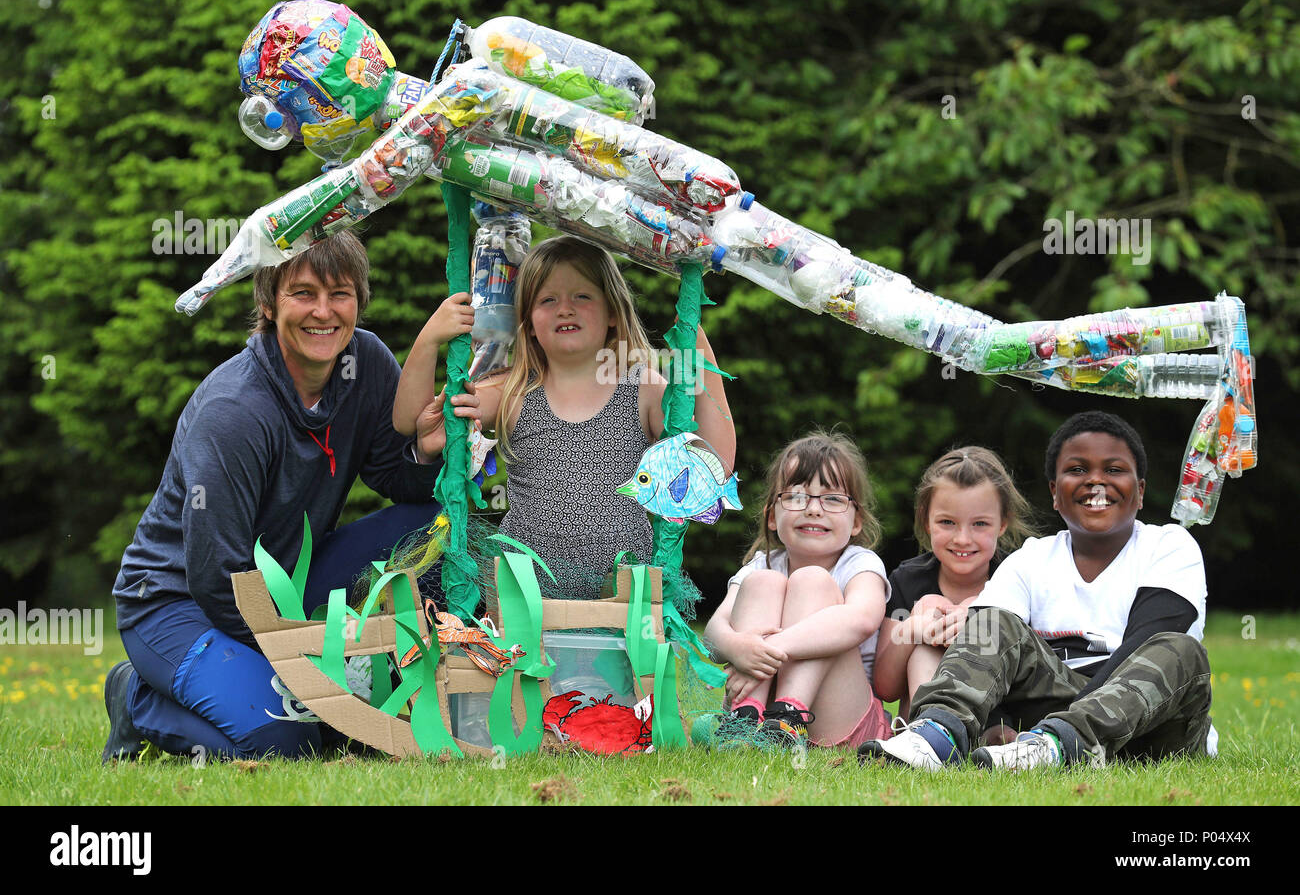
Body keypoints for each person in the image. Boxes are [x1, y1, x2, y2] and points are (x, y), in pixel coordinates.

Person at [104, 231, 480, 762]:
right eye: (303, 293)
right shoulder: (234, 412)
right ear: (267, 302)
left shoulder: (364, 363)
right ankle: (137, 697)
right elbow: (217, 576)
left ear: (359, 301)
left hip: (288, 581)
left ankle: (427, 673)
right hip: (179, 603)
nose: (323, 312)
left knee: (436, 522)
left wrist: (423, 451)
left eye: (340, 293)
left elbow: (397, 483)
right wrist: (315, 661)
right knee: (288, 737)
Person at [860, 411, 1214, 770]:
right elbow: (985, 649)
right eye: (1077, 470)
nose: (1095, 481)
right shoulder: (1030, 558)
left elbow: (1148, 639)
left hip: (1154, 725)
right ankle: (937, 733)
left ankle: (1060, 744)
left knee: (1180, 648)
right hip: (1050, 718)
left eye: (1113, 470)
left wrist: (1066, 726)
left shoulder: (1169, 545)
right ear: (1055, 493)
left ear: (1139, 491)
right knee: (992, 624)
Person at [394, 235, 735, 595]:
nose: (565, 308)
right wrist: (429, 339)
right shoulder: (513, 392)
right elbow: (408, 420)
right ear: (527, 323)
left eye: (582, 296)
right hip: (523, 598)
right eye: (548, 299)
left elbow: (715, 466)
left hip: (620, 596)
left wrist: (696, 344)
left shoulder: (643, 387)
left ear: (614, 313)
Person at [703, 432, 891, 748]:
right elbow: (713, 635)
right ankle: (745, 718)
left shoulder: (860, 564)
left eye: (832, 499)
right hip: (761, 713)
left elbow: (862, 619)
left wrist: (767, 650)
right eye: (795, 497)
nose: (813, 509)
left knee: (812, 581)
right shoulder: (759, 567)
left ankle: (788, 720)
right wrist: (739, 648)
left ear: (856, 521)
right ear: (772, 516)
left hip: (842, 720)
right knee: (763, 583)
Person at [873, 446, 1034, 732]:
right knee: (927, 610)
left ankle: (959, 735)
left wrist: (974, 621)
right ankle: (930, 731)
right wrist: (914, 629)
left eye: (980, 524)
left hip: (995, 719)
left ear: (1002, 524)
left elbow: (1030, 680)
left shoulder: (1015, 580)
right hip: (917, 713)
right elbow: (885, 688)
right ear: (926, 520)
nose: (962, 538)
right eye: (947, 522)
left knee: (982, 611)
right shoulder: (907, 580)